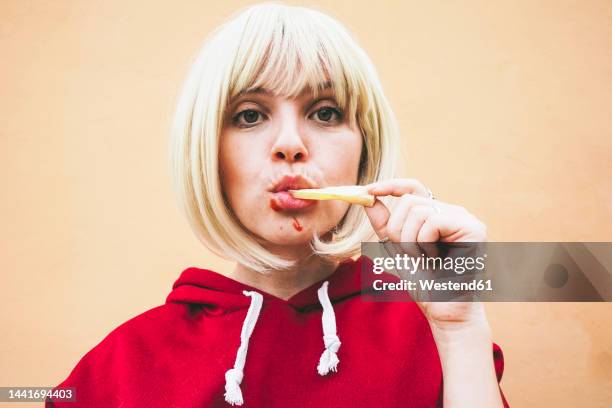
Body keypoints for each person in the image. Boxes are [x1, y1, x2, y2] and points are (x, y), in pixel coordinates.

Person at [48, 3, 509, 407]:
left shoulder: (428, 331)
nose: (290, 144)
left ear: (364, 151)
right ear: (208, 150)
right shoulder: (121, 369)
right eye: (250, 115)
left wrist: (460, 328)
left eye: (325, 112)